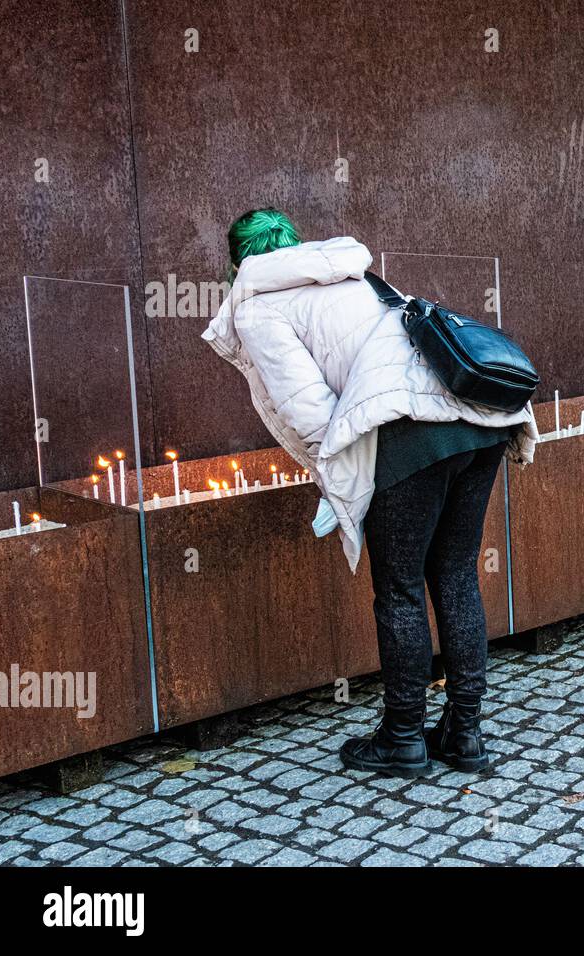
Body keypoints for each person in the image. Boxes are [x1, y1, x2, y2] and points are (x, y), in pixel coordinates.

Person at [202, 208, 537, 778]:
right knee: (455, 572)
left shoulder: (257, 305)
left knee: (400, 589)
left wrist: (341, 480)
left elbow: (311, 413)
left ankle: (404, 736)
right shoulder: (350, 273)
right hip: (480, 419)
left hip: (408, 433)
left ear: (238, 262)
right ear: (293, 245)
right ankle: (465, 735)